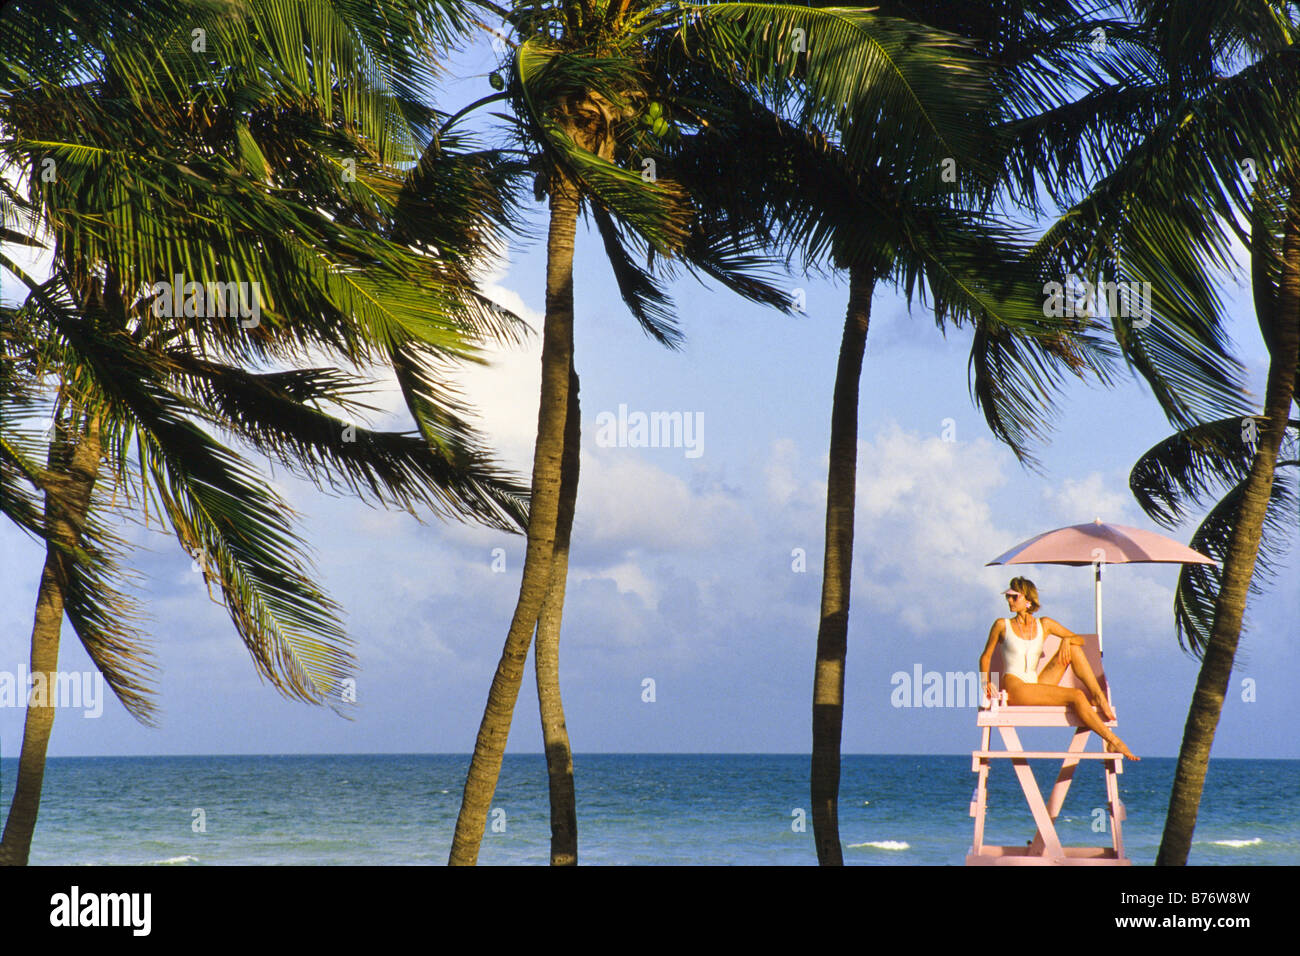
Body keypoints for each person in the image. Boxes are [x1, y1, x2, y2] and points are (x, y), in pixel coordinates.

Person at [978, 576, 1139, 761]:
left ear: (1028, 601)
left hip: (1035, 682)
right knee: (1077, 696)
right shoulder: (1001, 625)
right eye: (1008, 597)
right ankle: (1113, 741)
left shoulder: (1044, 624)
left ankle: (1098, 696)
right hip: (1015, 686)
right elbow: (986, 656)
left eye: (1014, 597)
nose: (1009, 600)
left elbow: (1080, 640)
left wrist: (1067, 640)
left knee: (1073, 648)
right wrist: (986, 682)